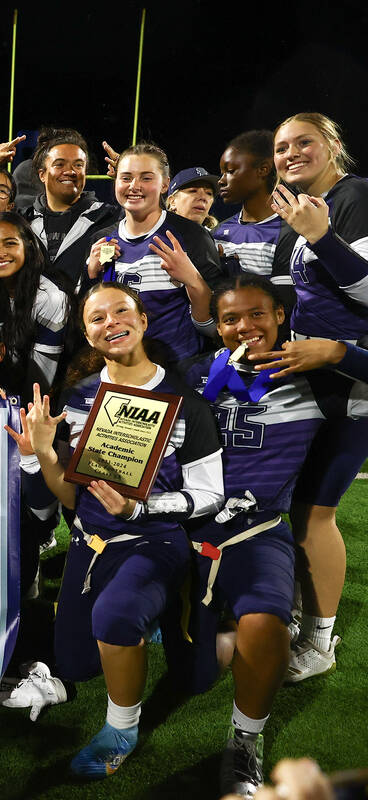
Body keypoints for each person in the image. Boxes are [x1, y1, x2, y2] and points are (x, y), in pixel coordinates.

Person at [12, 282, 224, 778]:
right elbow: (72, 496)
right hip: (89, 543)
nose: (111, 323)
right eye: (97, 318)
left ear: (144, 320)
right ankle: (143, 618)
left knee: (115, 616)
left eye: (121, 312)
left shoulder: (183, 401)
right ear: (86, 332)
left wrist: (141, 509)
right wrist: (42, 452)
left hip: (154, 540)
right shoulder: (80, 397)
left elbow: (210, 494)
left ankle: (122, 727)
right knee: (79, 663)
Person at [183, 275, 368, 797]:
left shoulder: (310, 373)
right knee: (189, 670)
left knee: (262, 626)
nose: (245, 327)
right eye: (230, 319)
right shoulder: (198, 372)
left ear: (280, 316)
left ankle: (245, 744)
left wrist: (338, 351)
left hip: (258, 527)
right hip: (183, 522)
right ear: (215, 327)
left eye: (257, 314)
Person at [269, 112, 368, 681]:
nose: (290, 154)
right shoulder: (296, 210)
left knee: (315, 513)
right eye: (282, 148)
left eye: (303, 142)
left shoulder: (355, 197)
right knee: (298, 505)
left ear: (333, 144)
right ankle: (303, 609)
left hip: (353, 382)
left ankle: (321, 640)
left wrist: (322, 237)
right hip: (313, 377)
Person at [85, 143, 223, 363]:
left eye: (146, 178)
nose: (134, 186)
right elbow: (92, 318)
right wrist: (92, 276)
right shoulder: (102, 240)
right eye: (126, 177)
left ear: (165, 185)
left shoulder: (191, 235)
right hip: (121, 368)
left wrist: (193, 280)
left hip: (178, 370)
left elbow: (216, 325)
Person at [22, 128, 123, 293]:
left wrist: (130, 174)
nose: (70, 171)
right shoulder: (22, 222)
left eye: (78, 165)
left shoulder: (109, 218)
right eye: (59, 164)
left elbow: (153, 221)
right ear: (42, 174)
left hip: (85, 315)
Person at [0, 211, 69, 389]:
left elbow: (40, 384)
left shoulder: (49, 297)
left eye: (10, 244)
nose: (0, 253)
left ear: (28, 244)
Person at [213, 130, 293, 303]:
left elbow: (283, 306)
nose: (221, 181)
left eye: (230, 171)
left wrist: (237, 280)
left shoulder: (289, 231)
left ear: (263, 170)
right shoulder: (218, 231)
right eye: (222, 172)